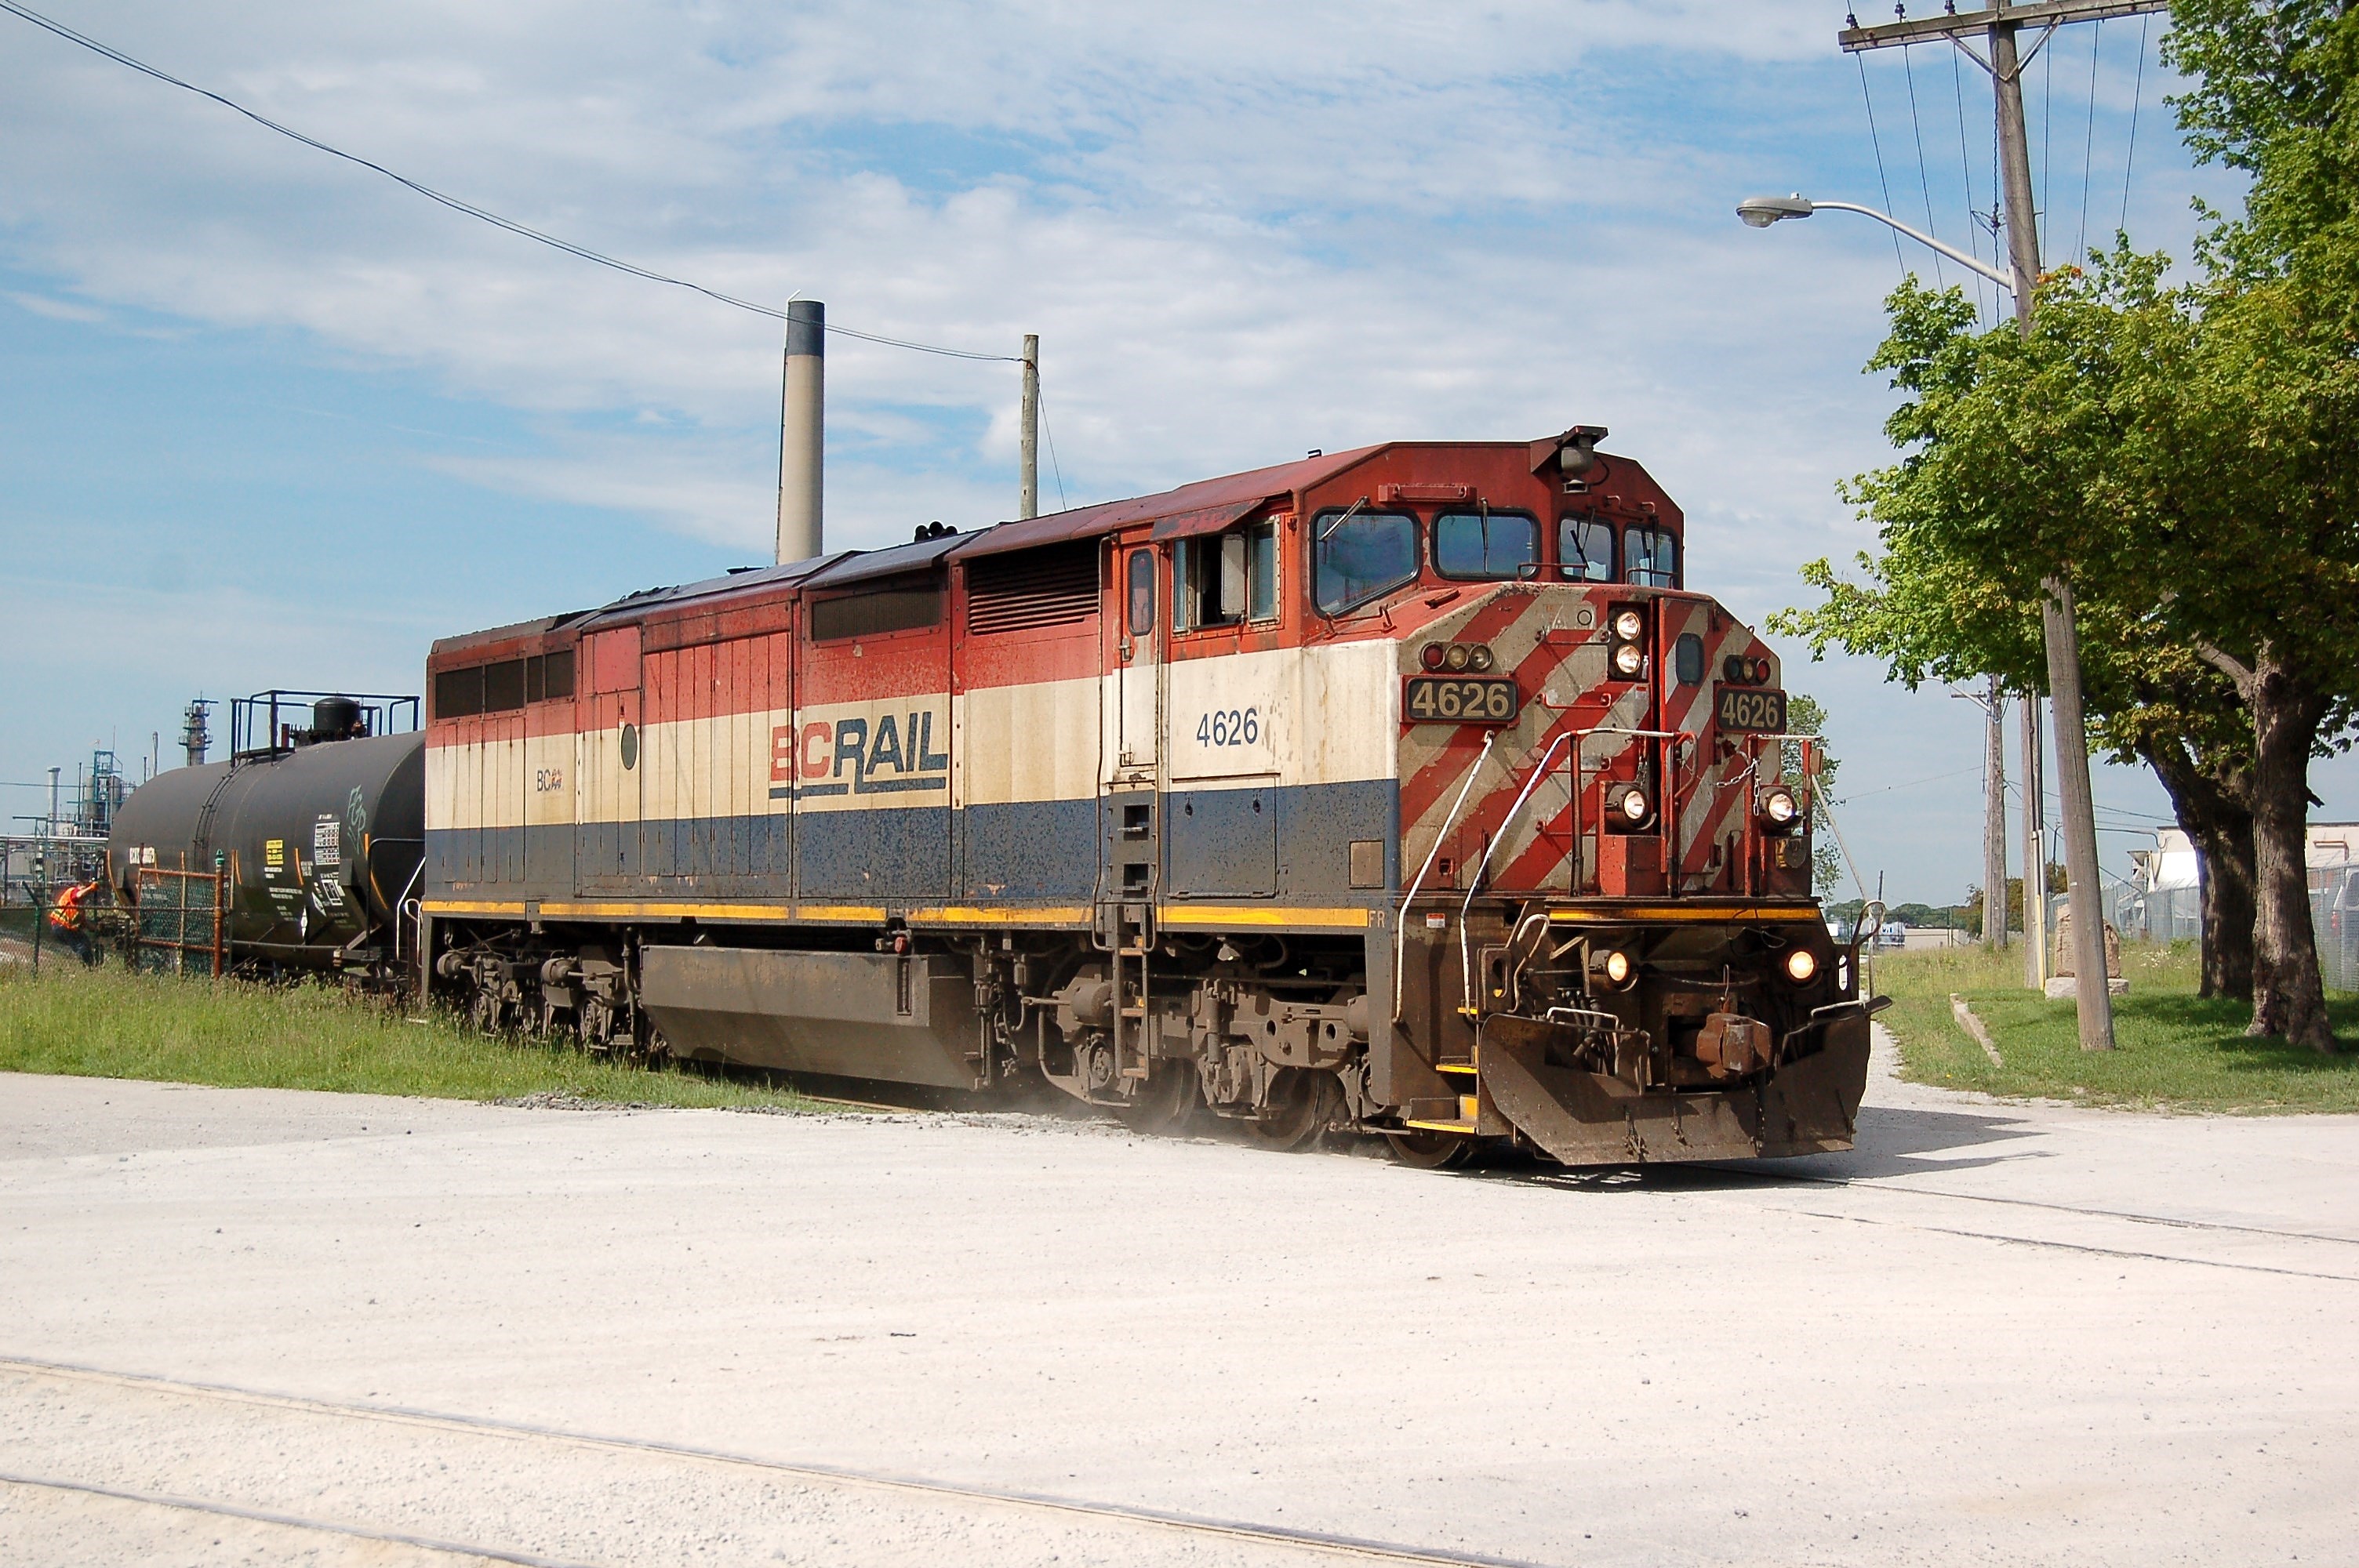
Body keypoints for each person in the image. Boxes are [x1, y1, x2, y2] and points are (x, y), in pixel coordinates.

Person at [46, 878, 102, 967]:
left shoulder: (79, 908)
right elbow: (78, 895)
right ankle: (88, 967)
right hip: (60, 926)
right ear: (79, 886)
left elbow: (84, 923)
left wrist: (97, 928)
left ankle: (90, 966)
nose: (86, 895)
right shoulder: (73, 892)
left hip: (66, 928)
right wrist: (91, 888)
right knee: (82, 946)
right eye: (84, 889)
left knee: (85, 941)